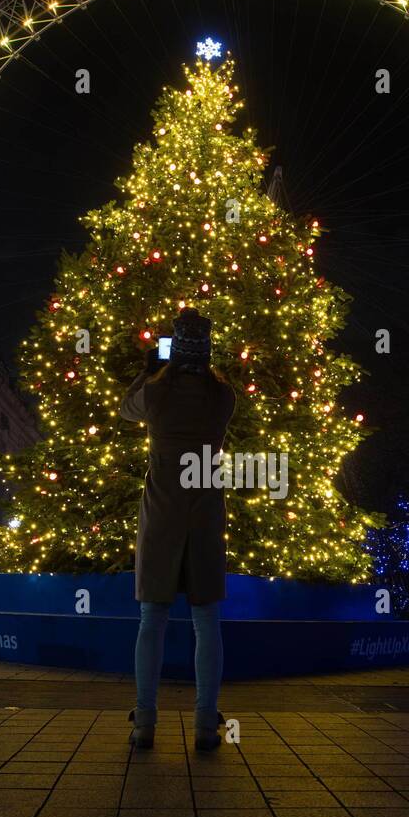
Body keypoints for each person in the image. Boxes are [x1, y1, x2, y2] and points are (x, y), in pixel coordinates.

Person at [119, 307, 236, 751]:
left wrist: (152, 370)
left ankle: (145, 720)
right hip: (205, 517)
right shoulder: (222, 397)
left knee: (153, 619)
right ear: (207, 352)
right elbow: (221, 384)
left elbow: (126, 410)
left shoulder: (155, 395)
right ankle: (206, 722)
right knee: (207, 622)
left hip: (161, 517)